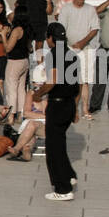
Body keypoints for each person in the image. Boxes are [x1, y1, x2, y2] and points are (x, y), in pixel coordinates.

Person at [34, 23, 78, 199]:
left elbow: (52, 81)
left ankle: (63, 189)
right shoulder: (72, 55)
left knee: (54, 148)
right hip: (69, 104)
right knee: (60, 142)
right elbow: (78, 84)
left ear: (50, 39)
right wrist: (76, 107)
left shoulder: (54, 55)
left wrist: (38, 94)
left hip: (57, 104)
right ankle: (69, 175)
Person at [62, 0, 99, 120]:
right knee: (71, 80)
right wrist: (69, 44)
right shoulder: (66, 9)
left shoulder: (90, 10)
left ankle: (85, 108)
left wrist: (83, 42)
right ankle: (72, 109)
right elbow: (61, 29)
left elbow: (94, 29)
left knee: (85, 80)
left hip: (87, 48)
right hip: (69, 48)